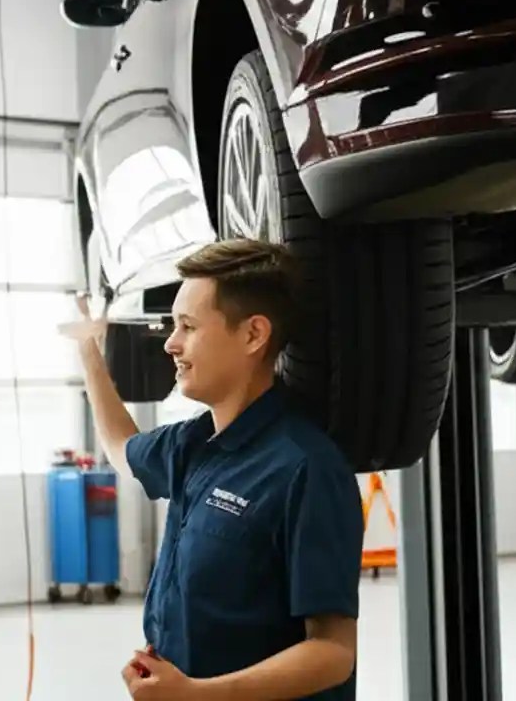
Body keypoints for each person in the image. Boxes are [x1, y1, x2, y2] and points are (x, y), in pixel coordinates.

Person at [62, 239, 363, 701]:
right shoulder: (191, 443)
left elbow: (332, 651)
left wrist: (197, 694)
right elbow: (121, 448)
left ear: (252, 335)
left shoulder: (306, 469)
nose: (170, 343)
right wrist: (89, 354)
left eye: (188, 326)